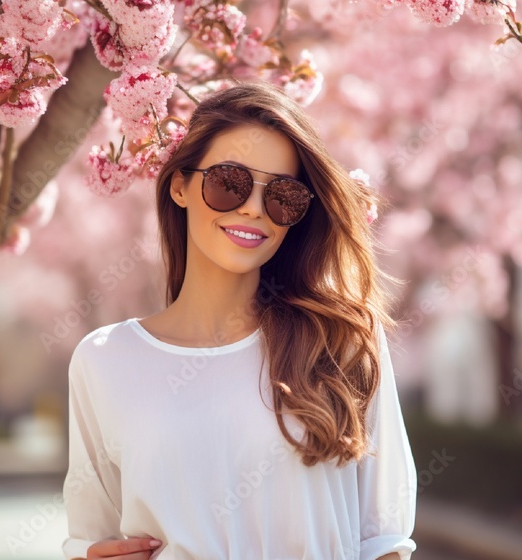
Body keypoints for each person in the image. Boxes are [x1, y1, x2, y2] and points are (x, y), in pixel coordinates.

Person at [61, 81, 418, 560]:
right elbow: (91, 538)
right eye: (230, 182)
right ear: (180, 186)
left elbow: (385, 539)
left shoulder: (342, 340)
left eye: (283, 196)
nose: (253, 207)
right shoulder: (104, 360)